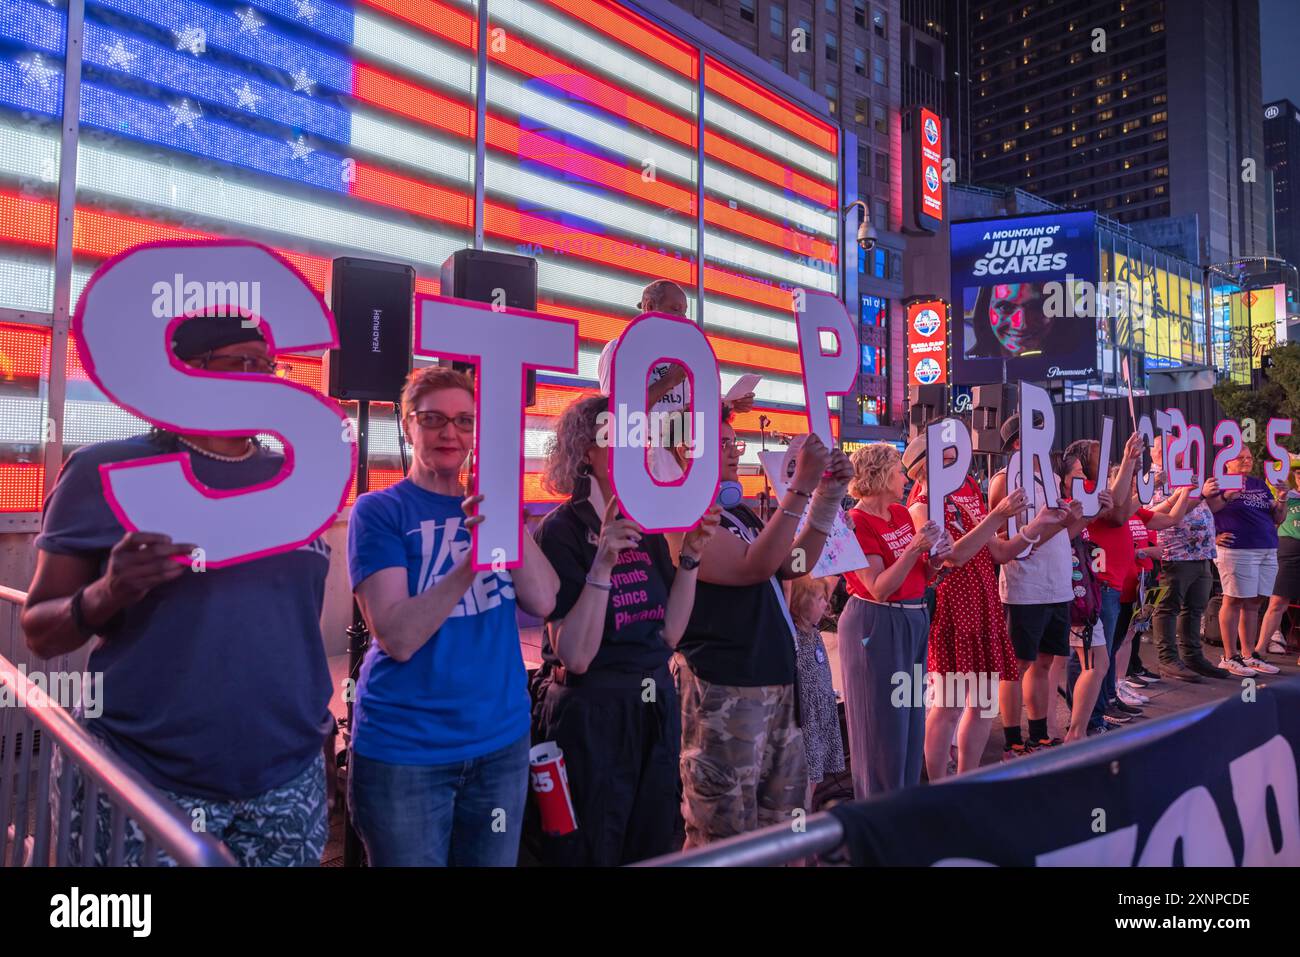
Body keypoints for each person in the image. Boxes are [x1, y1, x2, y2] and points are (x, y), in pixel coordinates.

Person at [23, 315, 334, 866]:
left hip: (287, 779)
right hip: (150, 777)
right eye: (242, 363)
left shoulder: (298, 477)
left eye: (268, 367)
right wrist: (110, 591)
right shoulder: (107, 470)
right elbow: (39, 633)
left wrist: (316, 734)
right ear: (184, 374)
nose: (261, 379)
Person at [346, 365, 560, 867]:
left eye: (465, 422)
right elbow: (397, 636)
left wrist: (505, 515)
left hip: (500, 743)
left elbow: (545, 600)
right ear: (407, 426)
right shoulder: (379, 511)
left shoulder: (493, 507)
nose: (450, 432)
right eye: (434, 418)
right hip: (407, 753)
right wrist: (473, 562)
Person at [530, 395, 719, 865]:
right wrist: (603, 563)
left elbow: (671, 634)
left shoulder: (647, 523)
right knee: (590, 848)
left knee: (655, 843)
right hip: (591, 714)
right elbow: (574, 655)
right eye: (616, 439)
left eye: (638, 438)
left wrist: (691, 557)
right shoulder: (562, 531)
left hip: (652, 705)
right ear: (584, 452)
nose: (633, 448)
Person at [670, 417, 852, 847]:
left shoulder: (735, 508)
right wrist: (802, 485)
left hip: (774, 683)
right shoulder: (681, 513)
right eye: (722, 442)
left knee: (784, 829)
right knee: (723, 835)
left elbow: (792, 564)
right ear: (683, 452)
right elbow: (755, 565)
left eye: (734, 441)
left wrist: (826, 497)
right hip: (724, 689)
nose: (735, 450)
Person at [900, 431, 1047, 776]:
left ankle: (968, 777)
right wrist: (996, 516)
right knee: (949, 705)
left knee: (982, 703)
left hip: (983, 604)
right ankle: (939, 785)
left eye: (955, 457)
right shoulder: (922, 506)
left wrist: (1036, 528)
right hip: (953, 608)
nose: (957, 465)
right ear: (926, 468)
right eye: (948, 459)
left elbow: (998, 551)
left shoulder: (966, 498)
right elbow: (953, 557)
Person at [840, 443, 951, 795]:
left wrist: (935, 559)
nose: (904, 477)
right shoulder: (856, 521)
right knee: (882, 730)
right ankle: (878, 819)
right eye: (898, 471)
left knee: (909, 726)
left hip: (913, 618)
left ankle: (902, 810)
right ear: (879, 475)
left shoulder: (900, 514)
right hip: (877, 622)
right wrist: (915, 548)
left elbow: (920, 575)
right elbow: (878, 588)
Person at [1061, 438, 1191, 734]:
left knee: (1103, 656)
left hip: (1118, 585)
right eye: (1099, 454)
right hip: (1100, 584)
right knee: (1088, 658)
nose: (1105, 459)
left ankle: (1099, 709)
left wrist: (1184, 490)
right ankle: (1086, 721)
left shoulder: (1106, 490)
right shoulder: (1090, 491)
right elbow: (1119, 515)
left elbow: (1163, 516)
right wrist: (1130, 462)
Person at [987, 413, 1085, 759]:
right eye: (1037, 430)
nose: (1046, 436)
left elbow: (1063, 534)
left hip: (1057, 583)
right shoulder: (1004, 481)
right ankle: (1012, 739)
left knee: (1044, 661)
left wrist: (1082, 517)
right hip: (1024, 586)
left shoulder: (1053, 478)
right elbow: (1006, 542)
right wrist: (1056, 525)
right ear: (1018, 442)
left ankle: (1039, 733)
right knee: (1017, 665)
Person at [596, 280, 754, 482]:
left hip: (681, 467)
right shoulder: (620, 350)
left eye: (685, 312)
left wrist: (730, 404)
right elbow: (613, 413)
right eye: (675, 309)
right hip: (639, 468)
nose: (682, 318)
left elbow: (690, 409)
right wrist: (668, 381)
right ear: (649, 307)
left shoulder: (685, 356)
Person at [1148, 435, 1229, 681]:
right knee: (1168, 608)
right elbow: (1159, 512)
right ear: (1158, 452)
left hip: (1200, 553)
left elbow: (1203, 509)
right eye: (1174, 448)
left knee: (1194, 609)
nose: (1181, 452)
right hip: (1175, 553)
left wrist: (1221, 498)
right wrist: (1201, 496)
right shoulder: (1153, 480)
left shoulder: (1186, 475)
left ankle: (1193, 657)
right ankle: (1168, 659)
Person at [1204, 445, 1285, 676]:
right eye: (1240, 458)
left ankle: (1249, 655)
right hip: (1237, 549)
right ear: (1226, 462)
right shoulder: (1219, 483)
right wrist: (1214, 536)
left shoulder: (1258, 484)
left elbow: (1278, 517)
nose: (1246, 461)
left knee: (1254, 602)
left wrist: (1281, 500)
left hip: (1266, 547)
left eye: (1249, 457)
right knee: (1233, 600)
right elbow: (1205, 510)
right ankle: (1229, 656)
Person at [786, 574, 846, 808]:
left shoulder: (813, 630)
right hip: (805, 720)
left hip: (821, 717)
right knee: (804, 783)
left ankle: (805, 821)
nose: (826, 603)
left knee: (814, 779)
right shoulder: (792, 635)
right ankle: (799, 830)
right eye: (820, 599)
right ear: (800, 602)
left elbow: (827, 583)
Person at [1256, 455, 1300, 660]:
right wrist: (1288, 459)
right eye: (1298, 473)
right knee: (1277, 602)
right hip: (1288, 549)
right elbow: (1272, 472)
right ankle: (1259, 650)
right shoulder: (1287, 495)